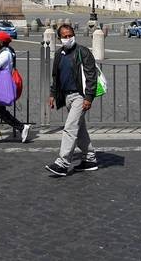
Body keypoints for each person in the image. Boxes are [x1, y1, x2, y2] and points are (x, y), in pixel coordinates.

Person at [45, 24, 98, 176]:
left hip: (79, 96)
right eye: (65, 36)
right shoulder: (59, 54)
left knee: (70, 127)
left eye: (70, 35)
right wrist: (53, 93)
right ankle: (90, 159)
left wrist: (88, 97)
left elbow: (91, 76)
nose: (68, 38)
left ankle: (62, 163)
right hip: (67, 96)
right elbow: (55, 76)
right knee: (79, 130)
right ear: (60, 38)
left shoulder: (83, 52)